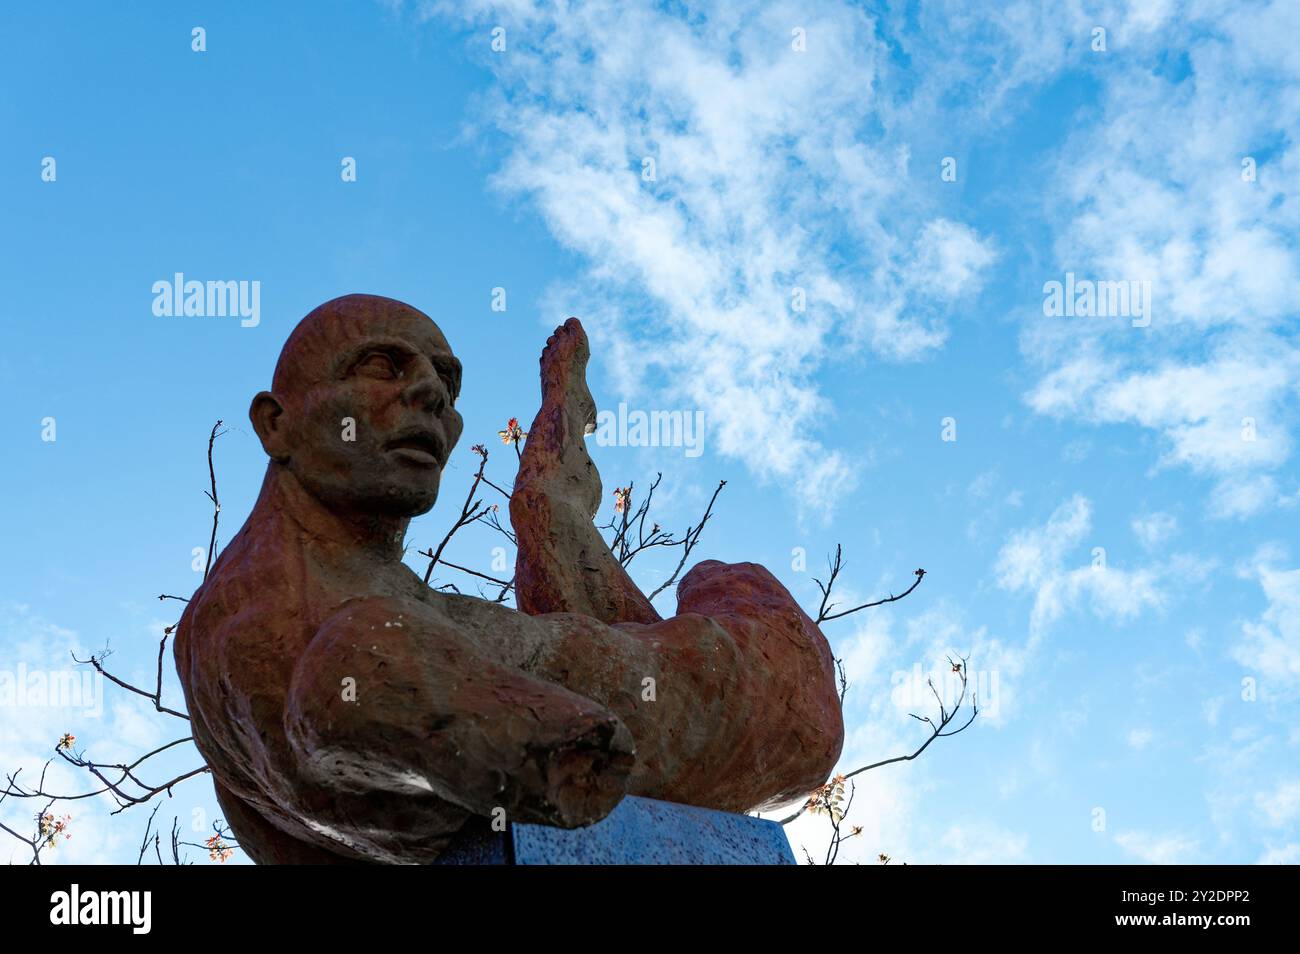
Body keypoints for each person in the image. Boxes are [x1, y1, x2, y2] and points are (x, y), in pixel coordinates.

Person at [174, 294, 843, 864]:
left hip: (747, 693)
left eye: (447, 381)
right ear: (275, 423)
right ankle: (550, 498)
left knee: (723, 582)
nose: (431, 394)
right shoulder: (261, 634)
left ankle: (552, 494)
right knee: (691, 579)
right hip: (638, 693)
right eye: (381, 365)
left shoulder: (295, 631)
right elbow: (342, 700)